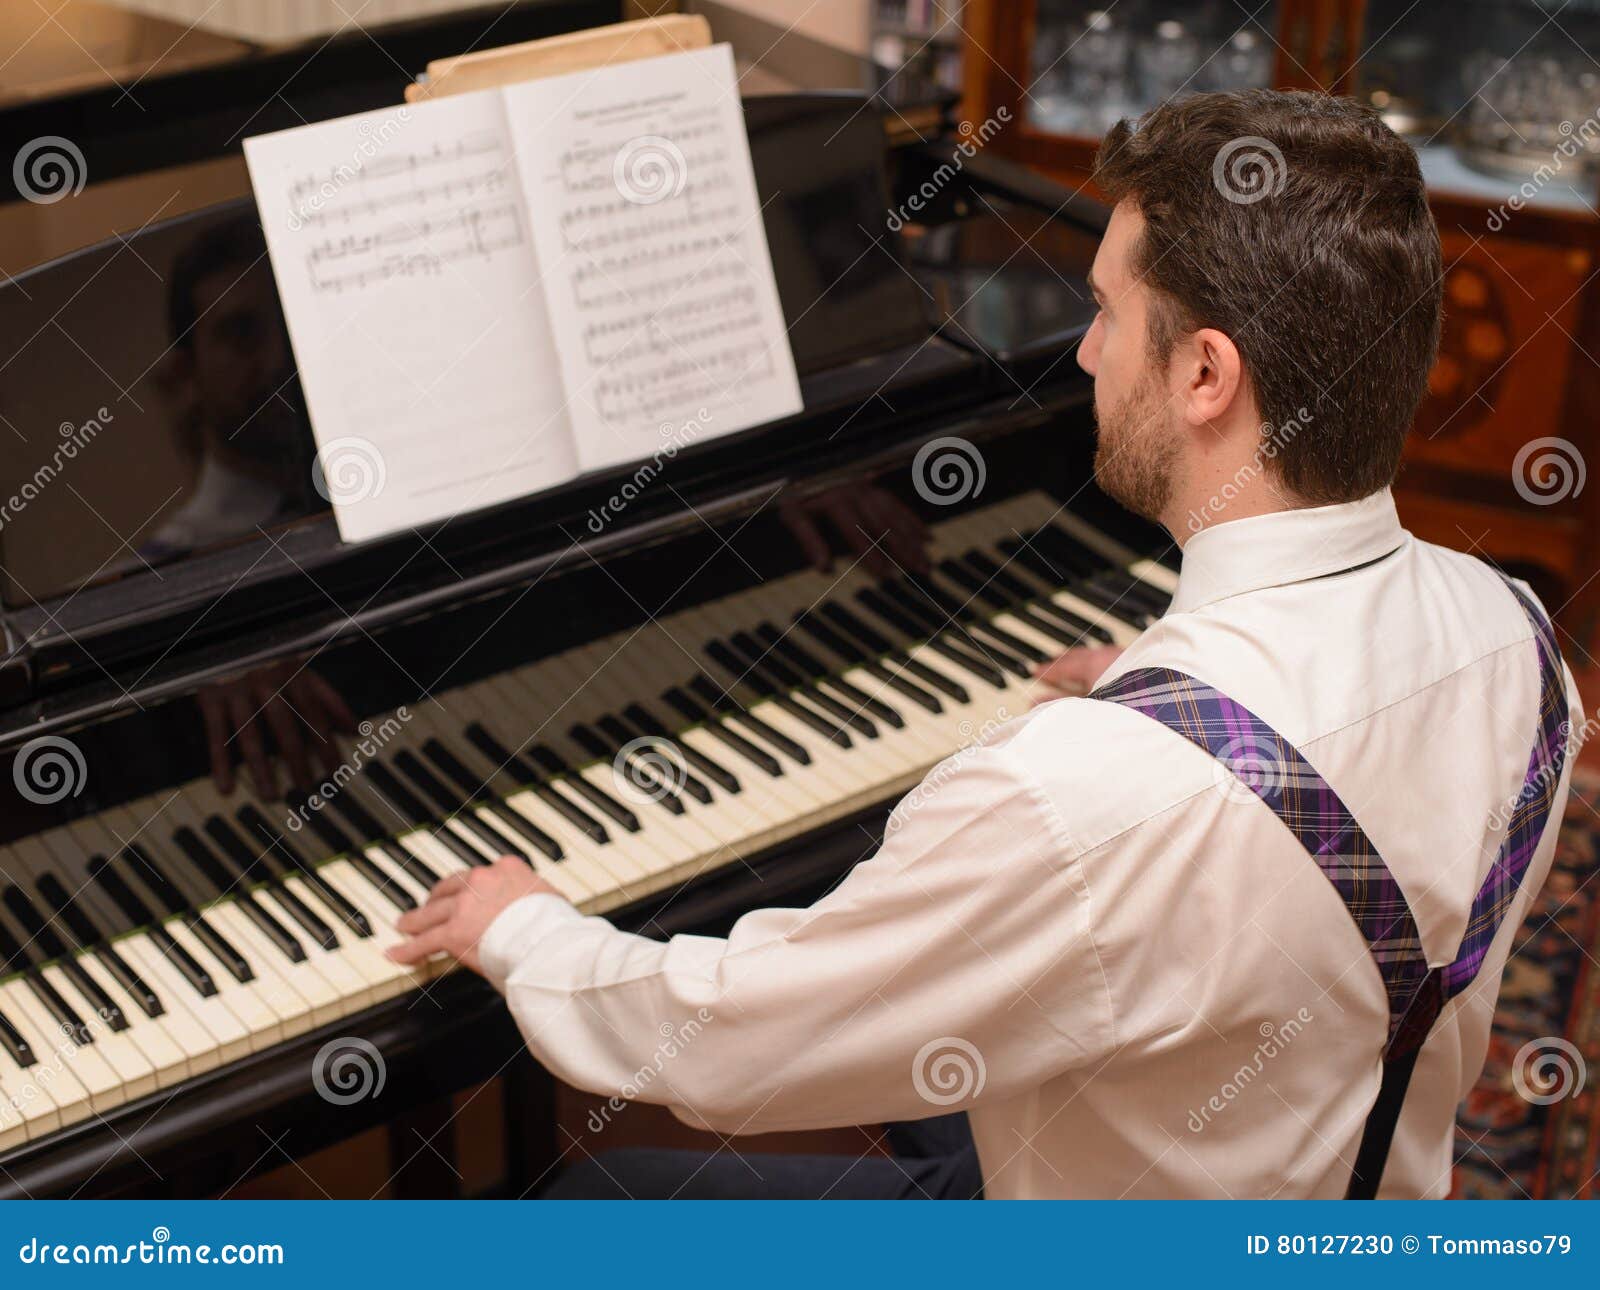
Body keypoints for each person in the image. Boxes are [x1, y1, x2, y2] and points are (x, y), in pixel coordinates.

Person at [388, 89, 1583, 1198]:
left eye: (1109, 313)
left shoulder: (1083, 794)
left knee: (601, 1190)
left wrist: (525, 930)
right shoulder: (1519, 638)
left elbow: (730, 1044)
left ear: (1206, 374)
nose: (1082, 352)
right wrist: (1158, 704)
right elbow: (1335, 788)